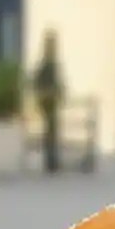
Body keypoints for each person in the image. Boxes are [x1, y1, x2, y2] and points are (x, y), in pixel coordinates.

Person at [33, 30, 64, 174]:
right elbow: (39, 83)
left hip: (52, 102)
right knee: (50, 133)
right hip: (48, 102)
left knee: (52, 132)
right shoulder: (46, 65)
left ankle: (53, 161)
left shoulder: (51, 64)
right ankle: (51, 162)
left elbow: (58, 84)